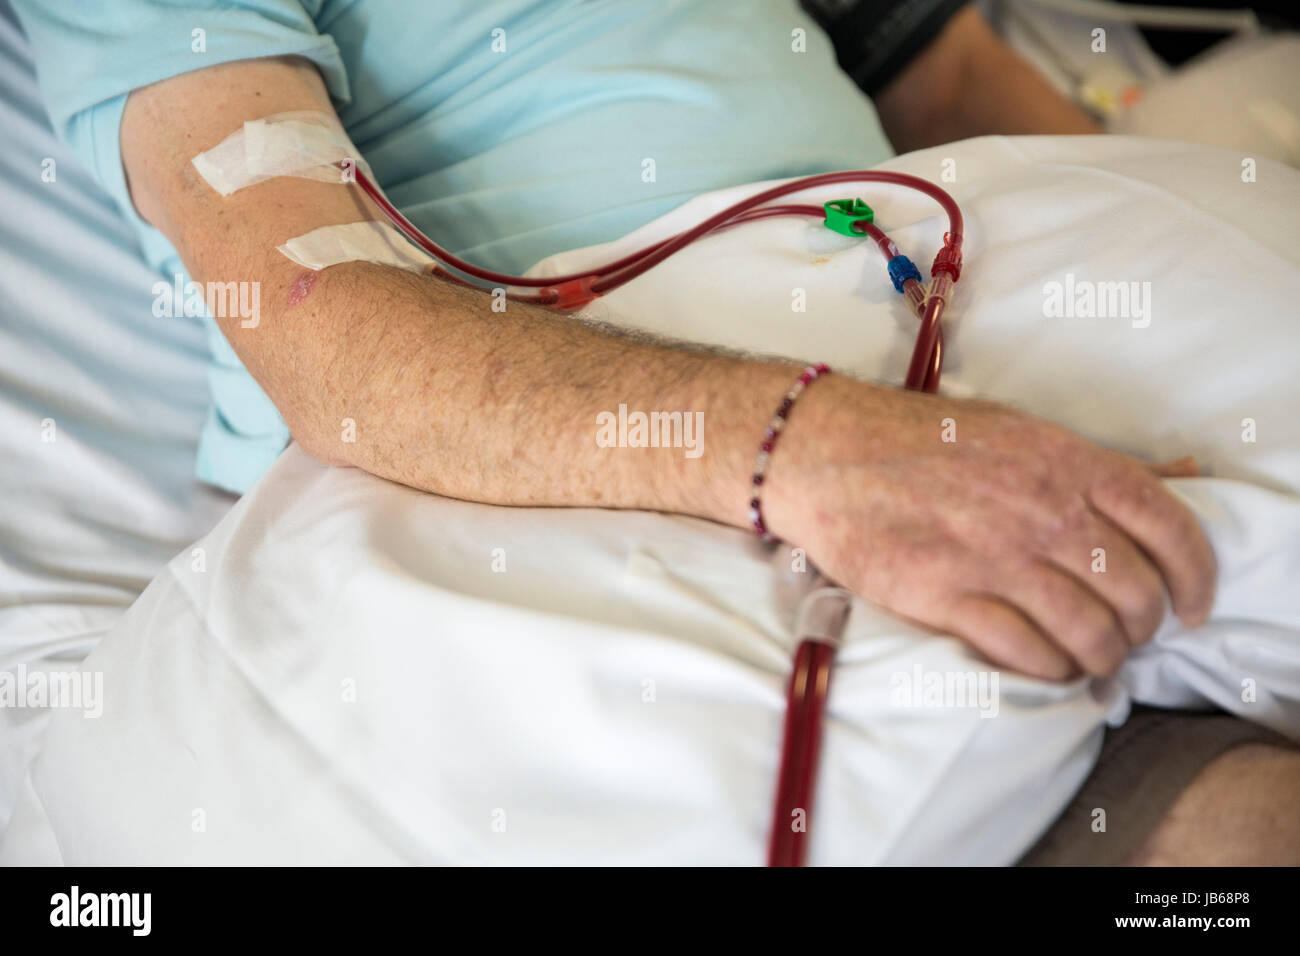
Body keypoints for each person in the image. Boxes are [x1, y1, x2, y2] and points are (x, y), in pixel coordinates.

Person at [12, 0, 1209, 682]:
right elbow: (335, 339)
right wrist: (818, 450)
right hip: (566, 437)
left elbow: (946, 79)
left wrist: (1192, 249)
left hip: (913, 271)